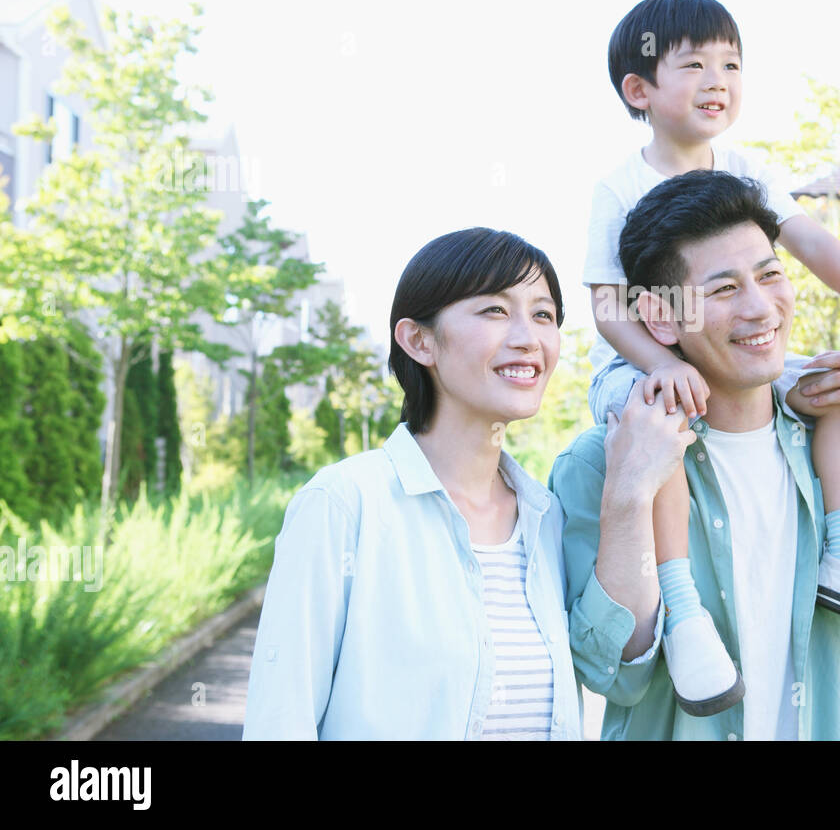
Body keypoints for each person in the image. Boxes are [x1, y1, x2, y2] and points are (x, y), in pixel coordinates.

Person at [582, 0, 840, 717]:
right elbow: (609, 305)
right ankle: (682, 612)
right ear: (639, 90)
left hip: (703, 356)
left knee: (835, 383)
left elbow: (808, 241)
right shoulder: (619, 187)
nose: (719, 79)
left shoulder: (746, 171)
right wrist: (663, 364)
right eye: (695, 64)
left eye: (732, 63)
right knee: (656, 426)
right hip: (640, 362)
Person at [553, 171, 840, 740]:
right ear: (661, 317)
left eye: (770, 275)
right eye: (724, 290)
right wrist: (627, 497)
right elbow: (614, 675)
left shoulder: (823, 445)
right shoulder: (598, 464)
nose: (761, 308)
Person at [242, 227, 686, 740]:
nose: (528, 337)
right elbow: (280, 719)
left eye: (543, 315)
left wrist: (630, 496)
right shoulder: (344, 505)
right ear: (419, 340)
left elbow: (620, 674)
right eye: (495, 311)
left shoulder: (544, 516)